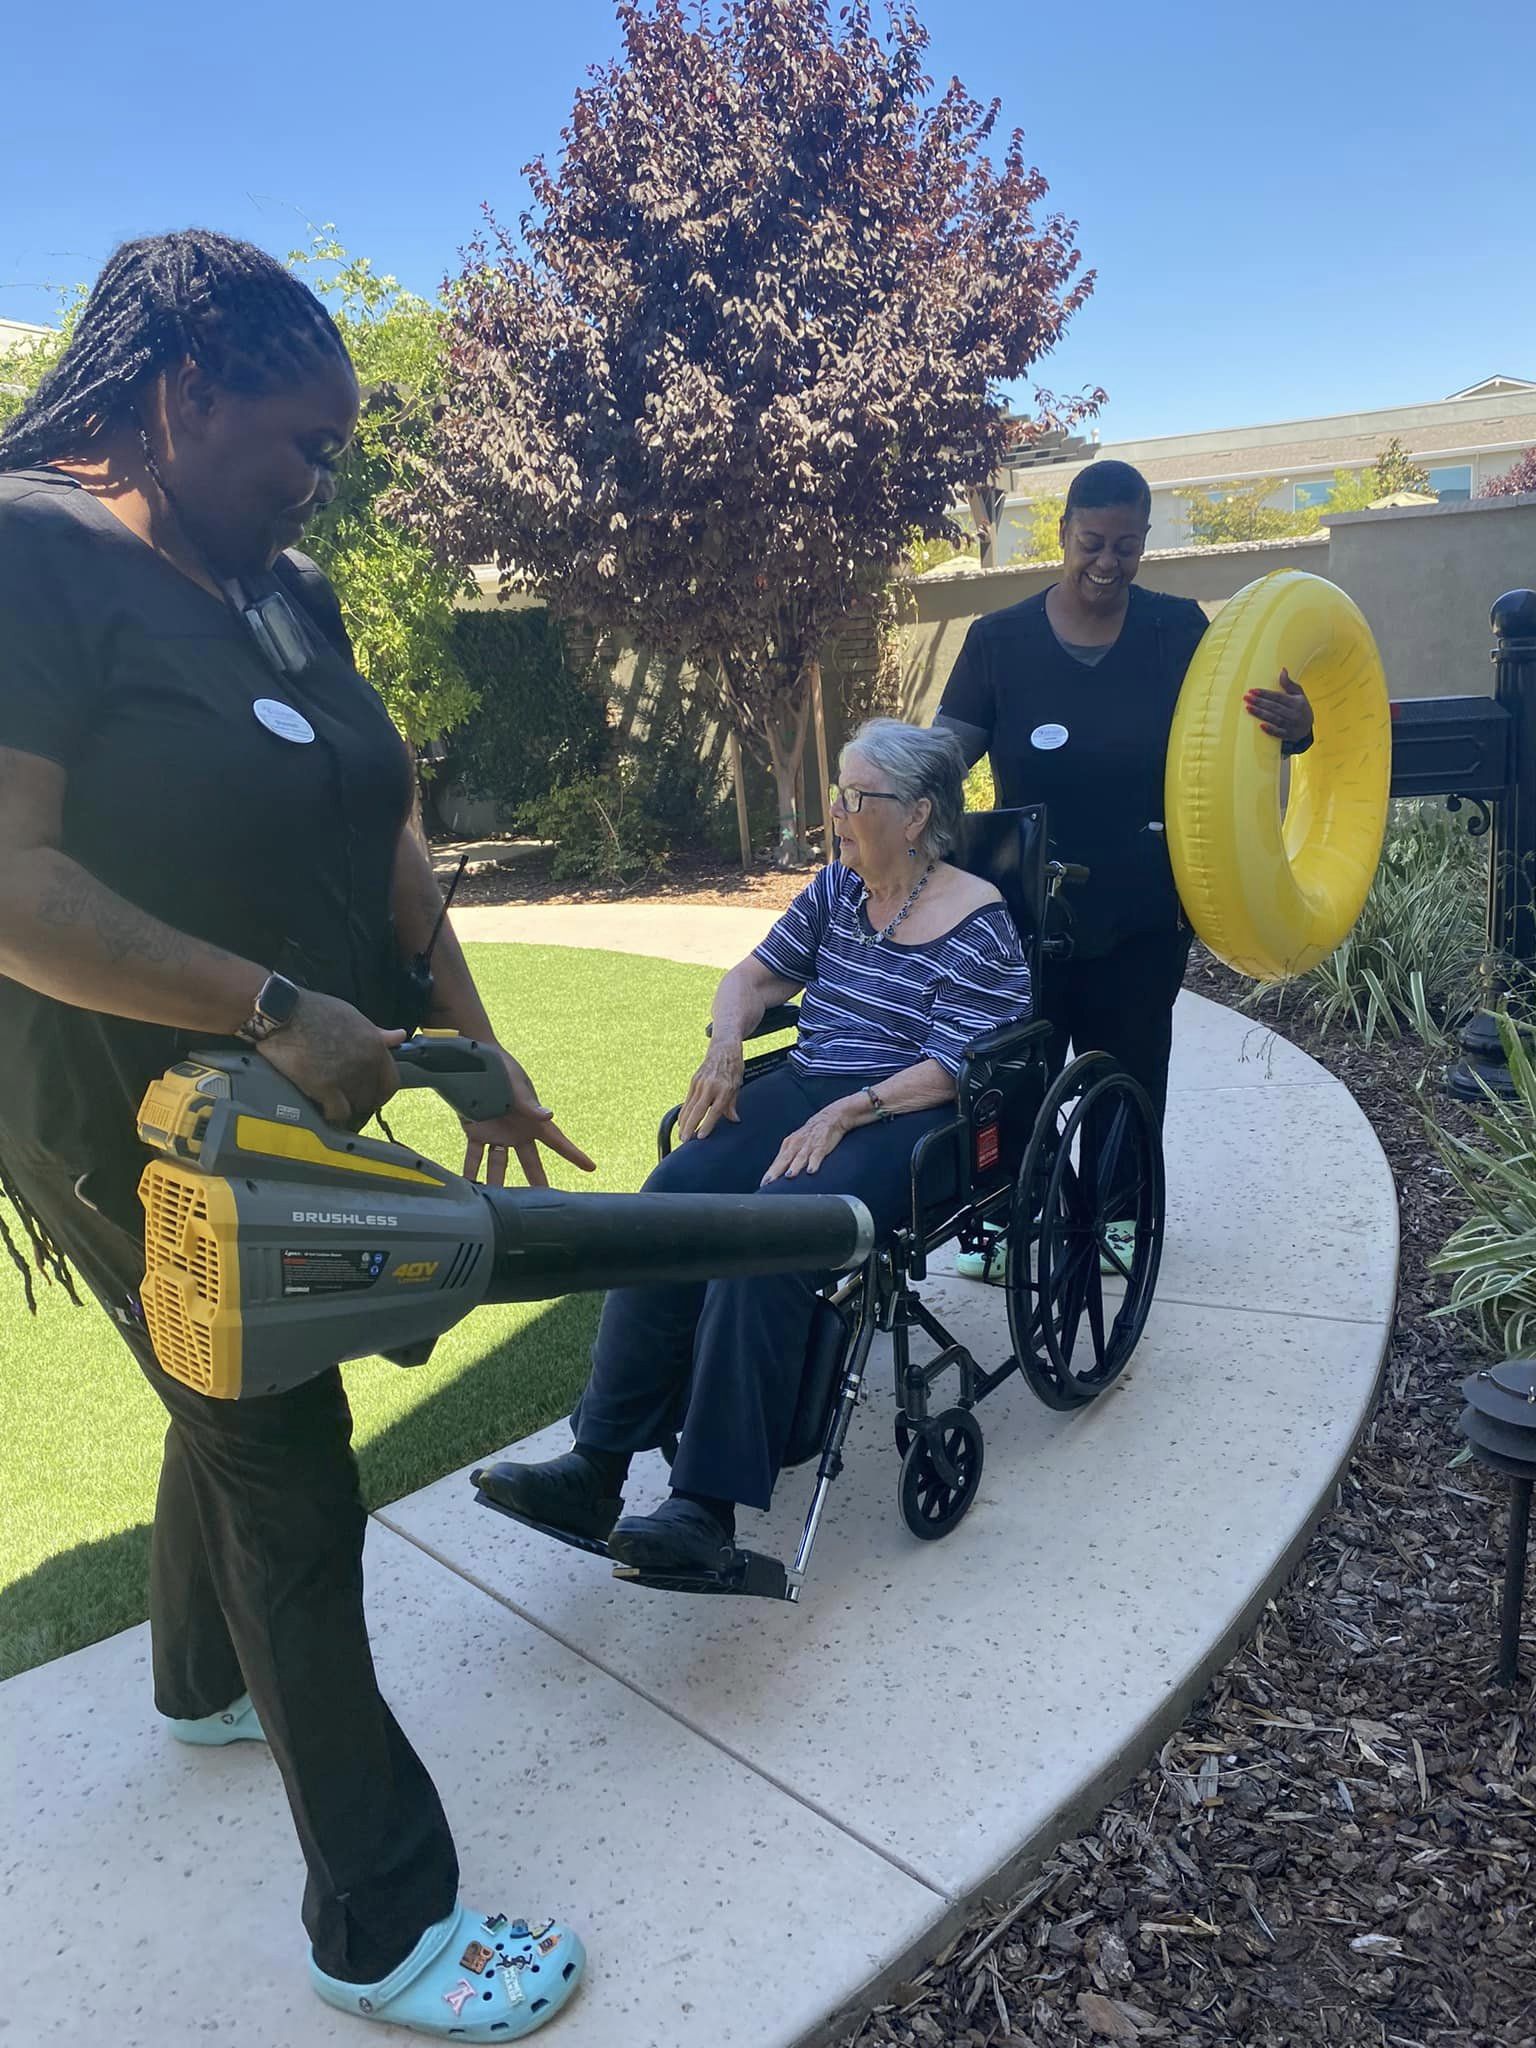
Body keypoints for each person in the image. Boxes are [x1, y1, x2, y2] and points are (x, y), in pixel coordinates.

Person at [0, 230, 592, 2041]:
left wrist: (474, 1051)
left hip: (302, 1086)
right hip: (133, 1114)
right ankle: (386, 1925)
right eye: (298, 443)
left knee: (226, 1403)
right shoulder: (27, 555)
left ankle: (195, 1682)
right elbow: (10, 887)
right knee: (282, 1446)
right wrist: (271, 1006)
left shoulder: (284, 582)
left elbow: (389, 833)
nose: (318, 480)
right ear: (180, 396)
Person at [478, 720, 1033, 1575]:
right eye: (837, 793)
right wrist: (725, 1044)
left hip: (910, 1118)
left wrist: (855, 1110)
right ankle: (597, 1467)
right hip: (808, 1088)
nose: (836, 813)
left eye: (856, 797)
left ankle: (705, 1508)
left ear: (918, 814)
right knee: (668, 1198)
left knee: (775, 1233)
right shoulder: (837, 890)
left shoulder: (979, 920)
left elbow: (962, 1063)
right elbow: (753, 977)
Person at [933, 459, 1313, 1274]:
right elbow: (945, 759)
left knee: (1130, 1070)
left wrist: (1301, 727)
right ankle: (1010, 1220)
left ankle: (1115, 1219)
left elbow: (1248, 733)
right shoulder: (998, 642)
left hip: (1144, 906)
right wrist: (892, 792)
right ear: (1063, 533)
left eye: (1127, 546)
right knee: (1016, 1075)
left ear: (1146, 541)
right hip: (1025, 916)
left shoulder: (1180, 632)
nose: (1107, 563)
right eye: (1092, 543)